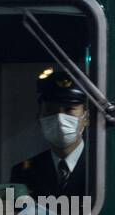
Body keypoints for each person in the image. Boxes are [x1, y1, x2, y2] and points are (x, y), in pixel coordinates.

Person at [9, 69, 91, 199]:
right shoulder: (23, 172)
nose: (59, 118)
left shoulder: (101, 169)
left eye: (69, 110)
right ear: (39, 119)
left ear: (86, 118)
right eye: (50, 111)